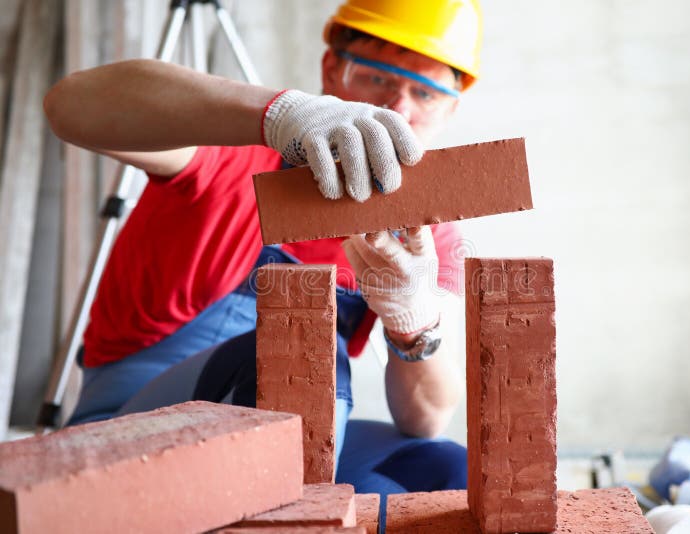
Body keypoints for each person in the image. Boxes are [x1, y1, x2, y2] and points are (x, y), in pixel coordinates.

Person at [44, 0, 482, 498]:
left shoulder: (424, 233)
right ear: (332, 69)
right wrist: (282, 113)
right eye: (378, 79)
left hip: (296, 434)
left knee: (442, 472)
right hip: (127, 434)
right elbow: (69, 105)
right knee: (302, 351)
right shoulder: (235, 160)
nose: (396, 109)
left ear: (450, 110)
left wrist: (413, 322)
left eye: (425, 93)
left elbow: (425, 418)